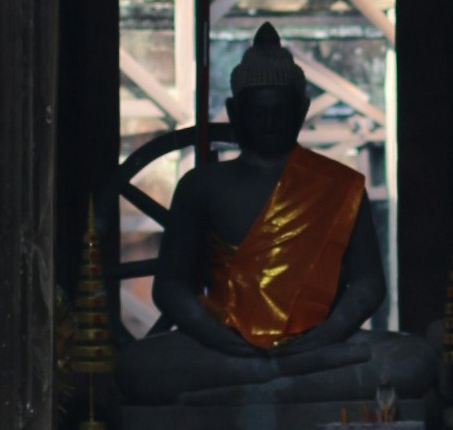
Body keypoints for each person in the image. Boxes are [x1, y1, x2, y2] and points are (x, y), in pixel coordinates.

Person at [121, 22, 435, 409]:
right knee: (134, 367)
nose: (269, 123)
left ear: (301, 111)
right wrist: (218, 337)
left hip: (317, 344)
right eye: (258, 113)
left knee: (413, 360)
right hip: (228, 348)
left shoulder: (338, 185)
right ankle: (280, 379)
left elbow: (369, 283)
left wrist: (327, 334)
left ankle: (257, 383)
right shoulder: (202, 186)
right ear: (236, 113)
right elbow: (169, 287)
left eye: (280, 112)